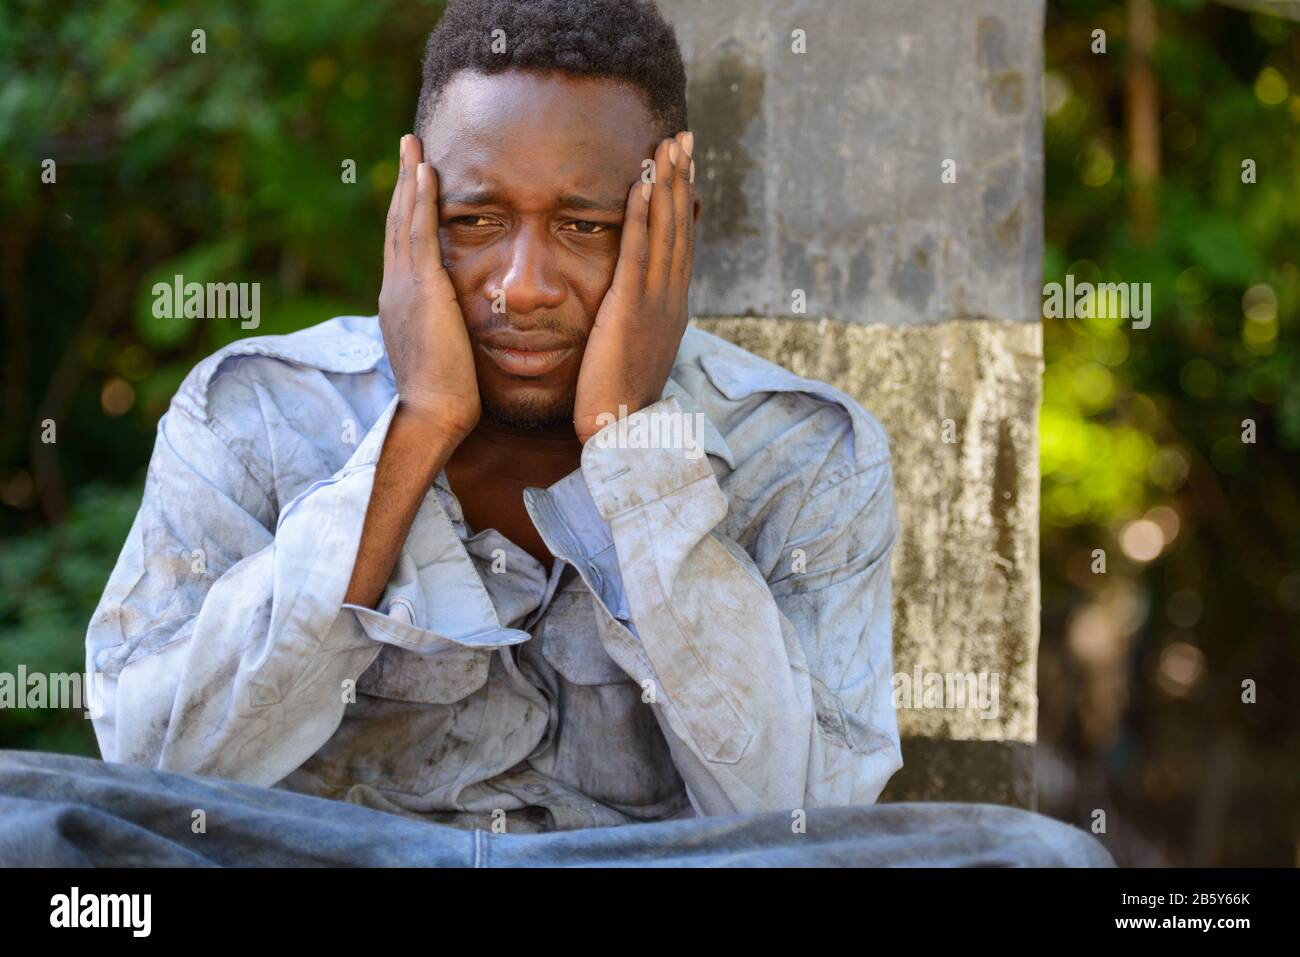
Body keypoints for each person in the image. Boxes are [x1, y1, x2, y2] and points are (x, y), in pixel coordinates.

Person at [0, 0, 1113, 867]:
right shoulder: (252, 409)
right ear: (411, 209)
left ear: (668, 225)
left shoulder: (806, 452)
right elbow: (161, 769)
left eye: (585, 226)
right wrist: (416, 433)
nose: (521, 286)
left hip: (654, 877)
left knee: (1036, 859)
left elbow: (796, 824)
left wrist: (630, 450)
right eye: (475, 223)